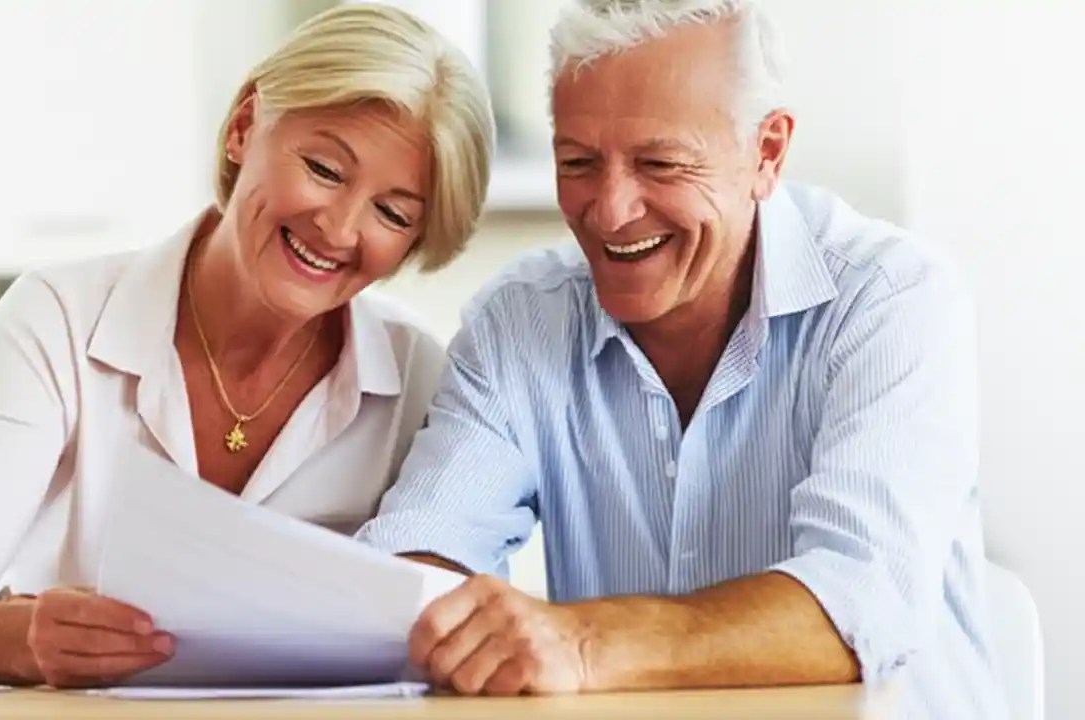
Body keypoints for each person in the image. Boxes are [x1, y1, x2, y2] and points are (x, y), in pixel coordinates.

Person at [357, 1, 1006, 717]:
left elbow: (860, 604)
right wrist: (432, 615)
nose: (610, 211)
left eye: (660, 163)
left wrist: (583, 644)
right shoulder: (519, 324)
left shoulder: (890, 299)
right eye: (578, 163)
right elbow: (412, 575)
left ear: (766, 154)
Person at [0, 3, 494, 689]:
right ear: (245, 127)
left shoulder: (418, 379)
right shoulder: (60, 319)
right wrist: (26, 639)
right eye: (324, 169)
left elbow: (452, 639)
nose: (339, 229)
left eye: (392, 212)